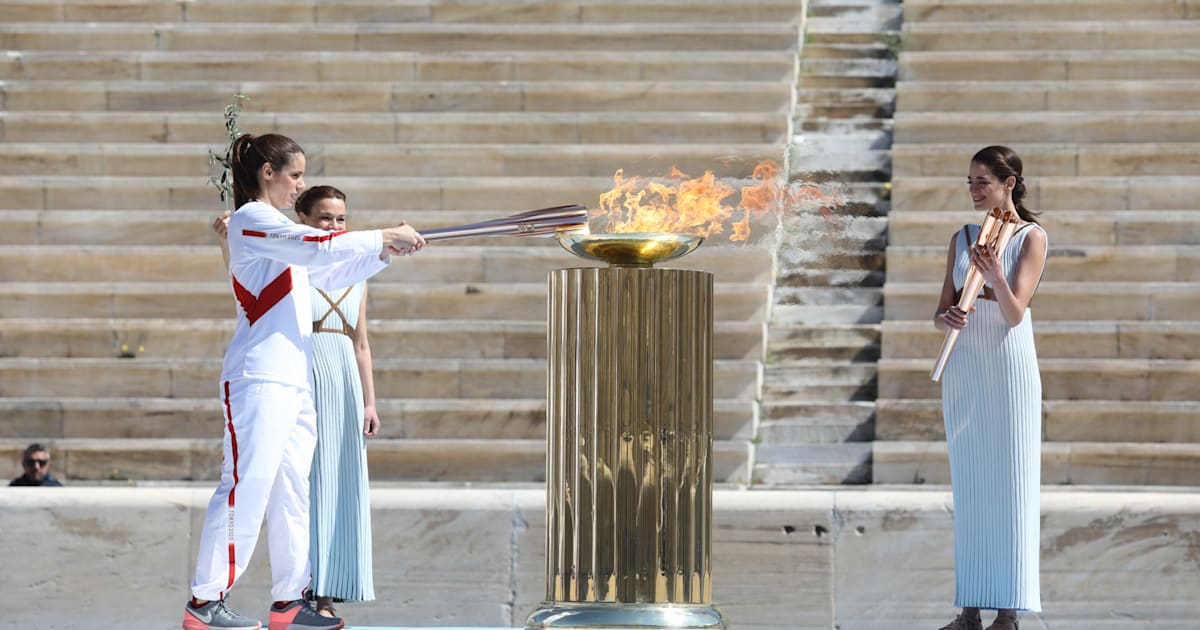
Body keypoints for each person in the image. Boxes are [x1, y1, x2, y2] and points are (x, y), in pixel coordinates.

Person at [184, 132, 425, 630]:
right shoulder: (254, 220)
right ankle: (205, 603)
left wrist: (383, 254)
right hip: (258, 378)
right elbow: (317, 245)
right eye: (295, 175)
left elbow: (329, 272)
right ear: (267, 173)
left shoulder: (276, 236)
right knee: (245, 486)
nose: (301, 185)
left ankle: (290, 602)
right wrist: (382, 235)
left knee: (293, 490)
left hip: (294, 381)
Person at [214, 185, 380, 619]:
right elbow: (249, 288)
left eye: (341, 218)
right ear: (304, 221)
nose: (335, 225)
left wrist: (369, 401)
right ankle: (232, 596)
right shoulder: (288, 254)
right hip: (292, 372)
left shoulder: (342, 267)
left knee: (319, 488)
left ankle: (312, 594)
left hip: (329, 378)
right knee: (280, 486)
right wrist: (226, 242)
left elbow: (360, 337)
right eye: (325, 218)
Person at [933, 145, 1048, 630]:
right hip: (965, 370)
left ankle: (1008, 612)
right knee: (973, 487)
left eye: (983, 181)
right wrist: (948, 316)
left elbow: (1014, 312)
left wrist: (994, 272)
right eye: (971, 182)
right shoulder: (961, 237)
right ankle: (968, 611)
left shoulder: (1031, 237)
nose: (975, 190)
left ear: (1010, 183)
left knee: (1012, 486)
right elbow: (940, 314)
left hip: (1008, 369)